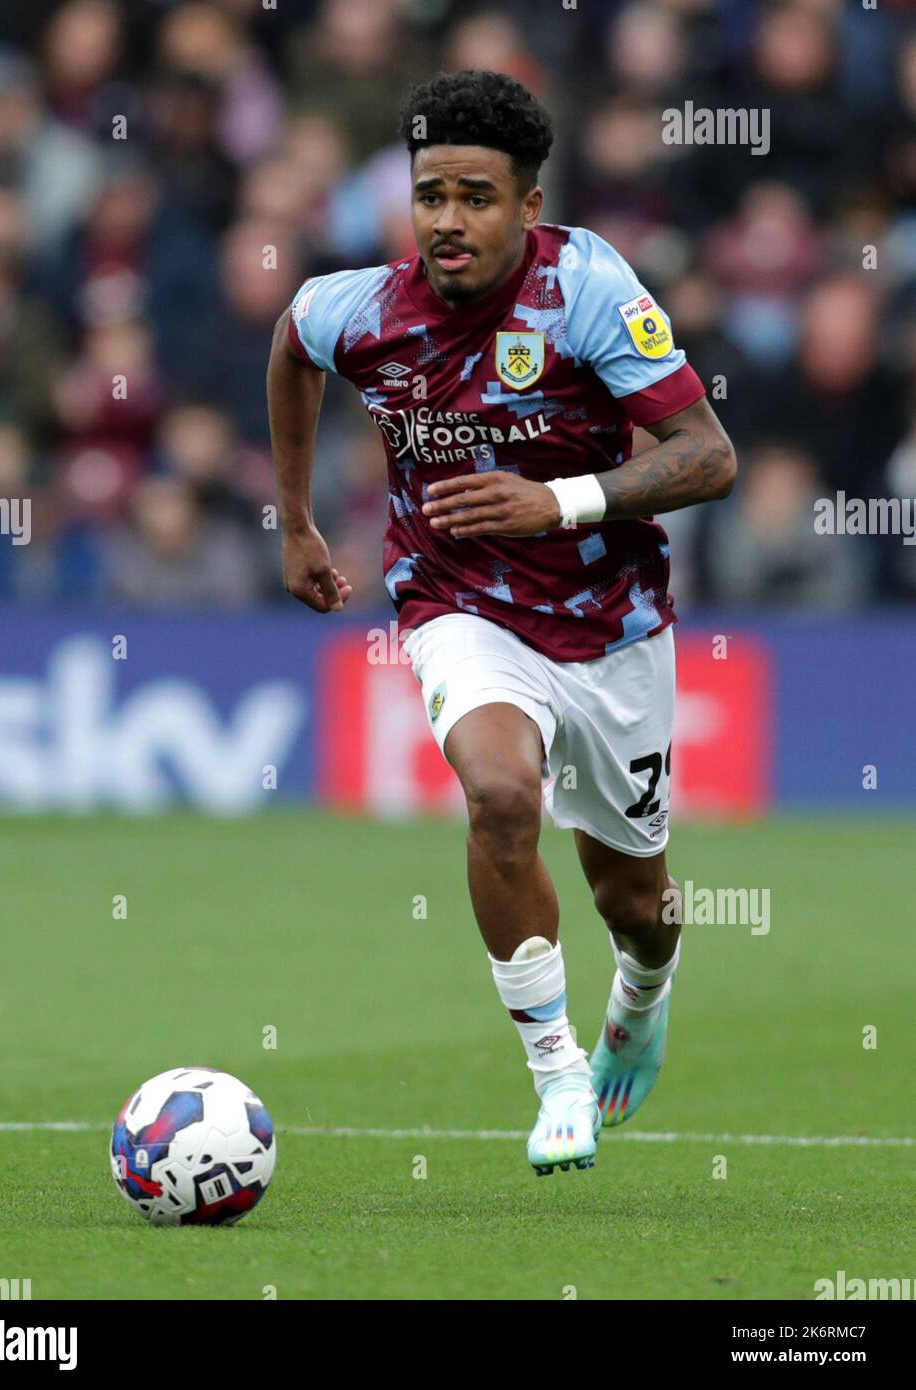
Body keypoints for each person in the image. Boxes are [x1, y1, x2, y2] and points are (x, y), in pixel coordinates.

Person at [267, 69, 736, 1176]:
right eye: (431, 194)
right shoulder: (363, 311)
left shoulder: (586, 290)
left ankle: (646, 988)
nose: (447, 220)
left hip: (610, 620)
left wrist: (561, 499)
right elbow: (292, 348)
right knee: (499, 792)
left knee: (637, 899)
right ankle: (555, 1070)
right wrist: (293, 522)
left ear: (529, 207)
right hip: (455, 599)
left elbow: (710, 456)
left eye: (475, 196)